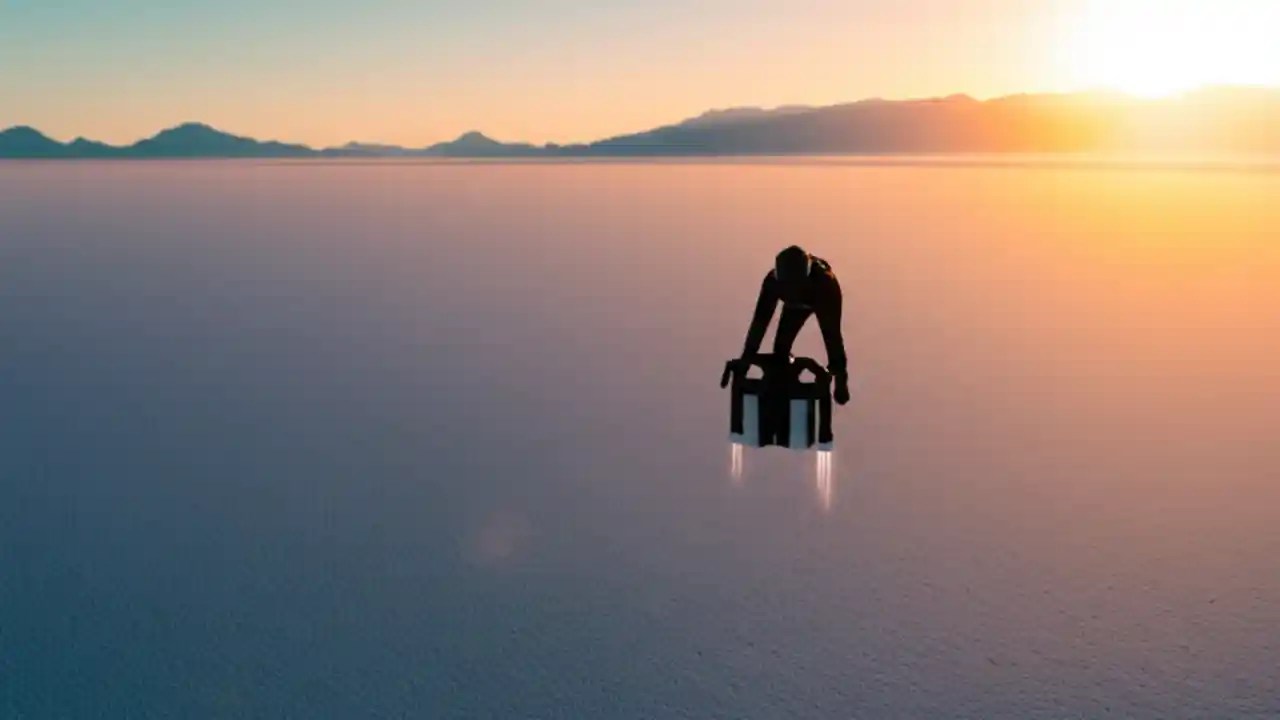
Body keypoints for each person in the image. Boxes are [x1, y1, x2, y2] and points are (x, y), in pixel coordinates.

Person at [734, 245, 850, 405]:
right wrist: (745, 361)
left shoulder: (824, 284)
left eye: (794, 286)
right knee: (780, 349)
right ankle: (781, 388)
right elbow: (759, 324)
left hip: (820, 298)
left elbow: (832, 337)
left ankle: (840, 375)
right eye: (787, 286)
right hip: (797, 304)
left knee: (831, 336)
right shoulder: (772, 283)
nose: (791, 291)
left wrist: (840, 379)